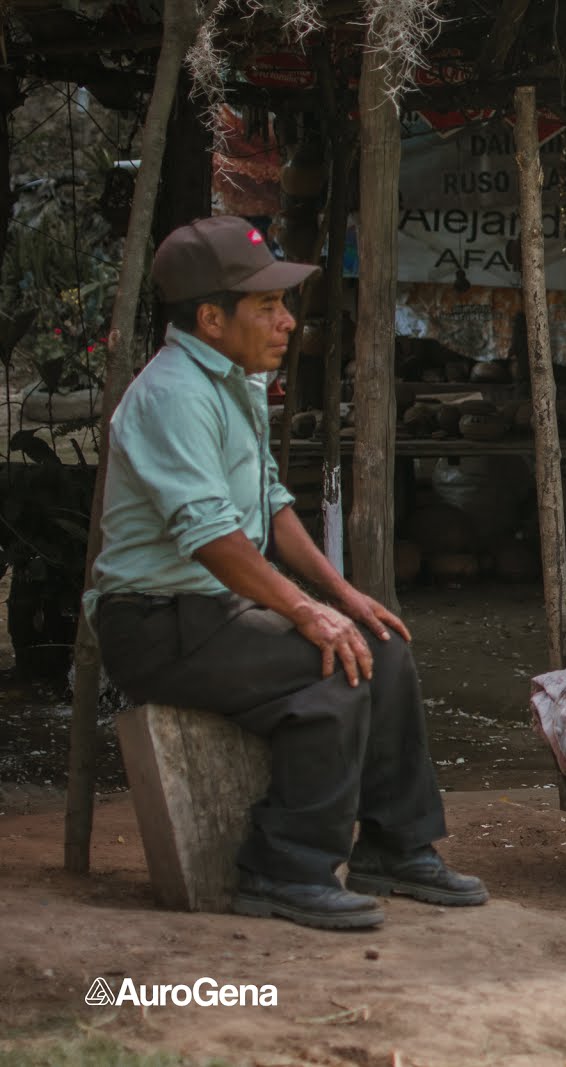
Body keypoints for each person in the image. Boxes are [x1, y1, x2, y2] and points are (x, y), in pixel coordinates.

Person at [90, 216, 486, 930]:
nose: (287, 320)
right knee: (331, 674)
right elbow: (212, 537)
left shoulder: (234, 380)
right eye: (267, 306)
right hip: (156, 621)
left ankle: (396, 847)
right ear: (211, 319)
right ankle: (284, 867)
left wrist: (341, 593)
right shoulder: (173, 393)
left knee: (382, 647)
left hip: (213, 609)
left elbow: (270, 509)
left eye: (284, 302)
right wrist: (304, 613)